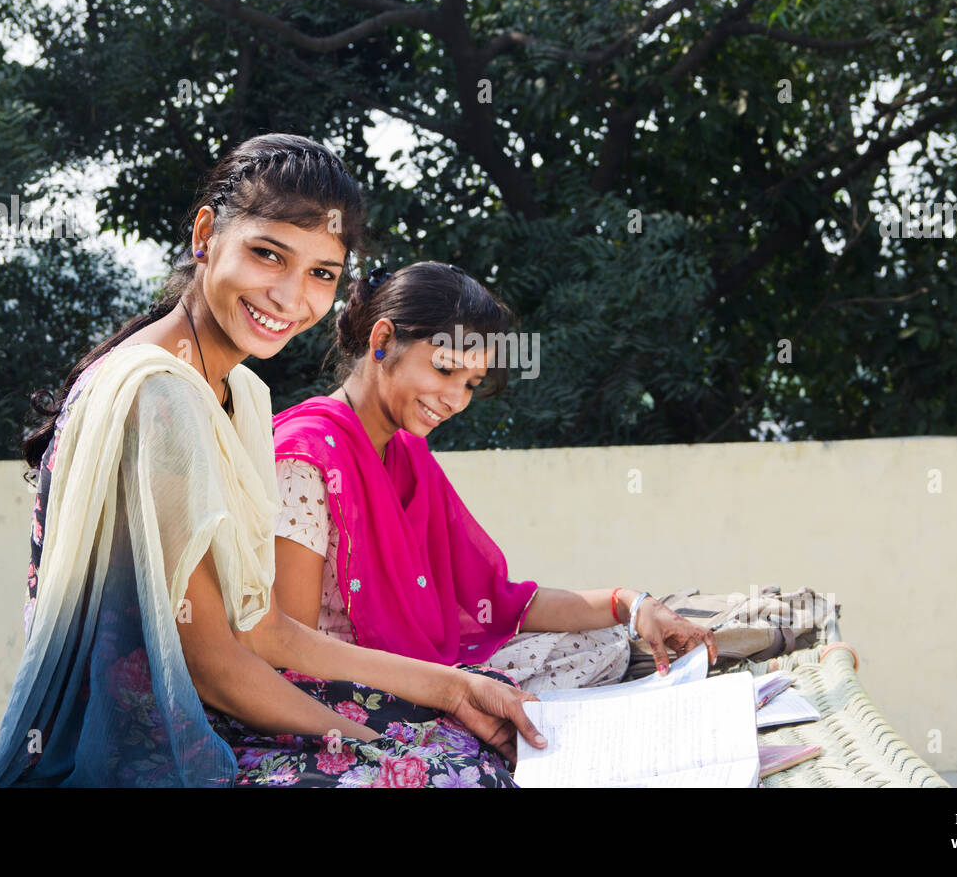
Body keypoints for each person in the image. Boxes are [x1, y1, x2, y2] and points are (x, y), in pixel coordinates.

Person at [0, 136, 544, 788]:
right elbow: (215, 662)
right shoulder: (157, 396)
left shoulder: (241, 392)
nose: (289, 296)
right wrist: (377, 753)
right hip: (140, 747)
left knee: (468, 733)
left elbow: (265, 629)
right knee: (449, 772)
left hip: (211, 711)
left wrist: (450, 689)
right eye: (267, 254)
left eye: (321, 274)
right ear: (206, 235)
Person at [271, 261, 719, 692]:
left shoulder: (408, 454)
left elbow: (498, 601)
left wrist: (632, 604)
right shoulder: (306, 456)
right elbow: (290, 651)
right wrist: (450, 690)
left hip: (430, 670)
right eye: (445, 369)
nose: (455, 400)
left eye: (470, 383)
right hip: (344, 691)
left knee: (600, 645)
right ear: (384, 339)